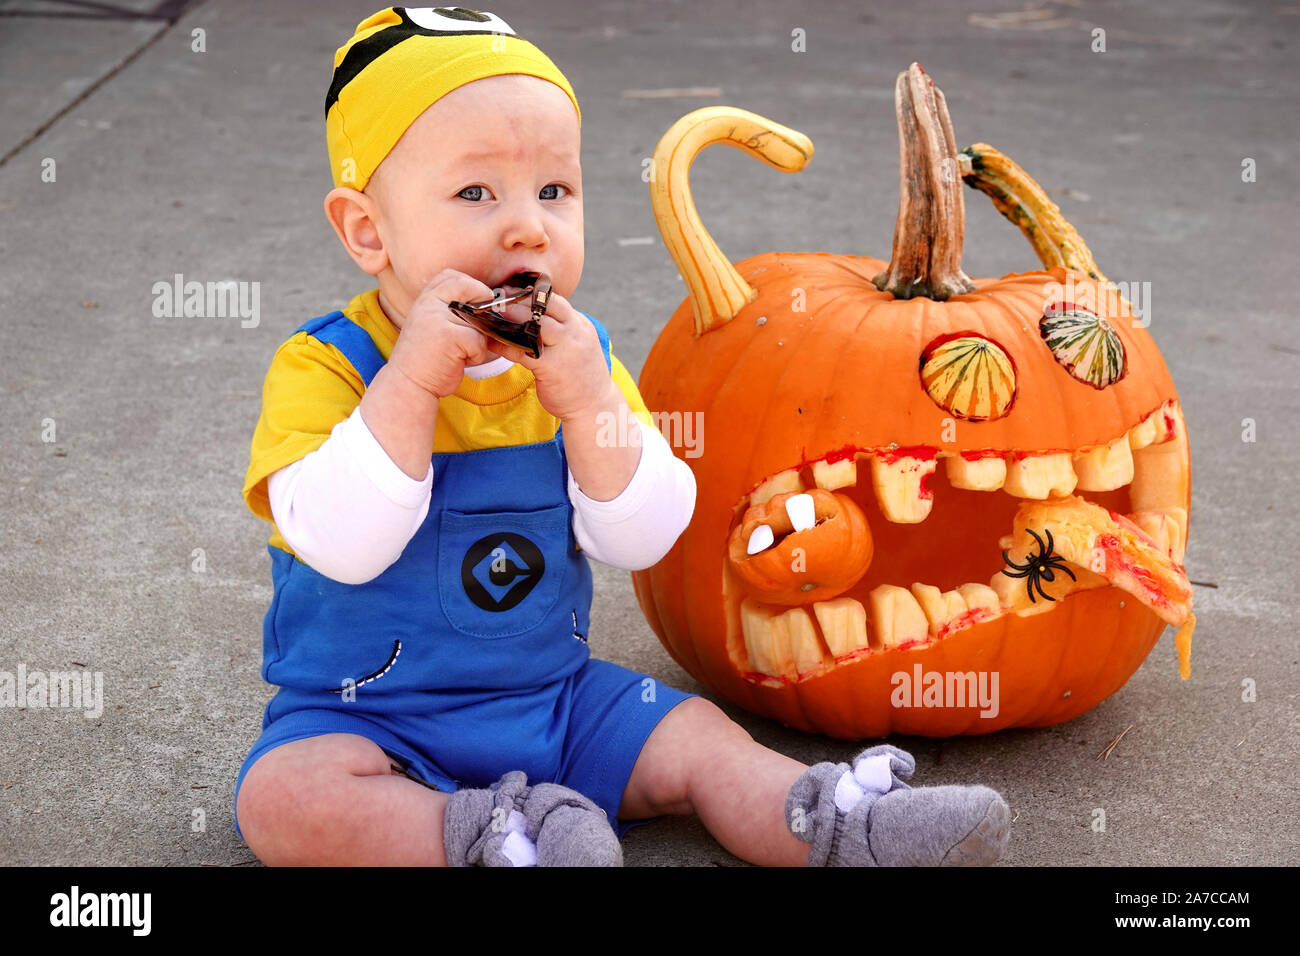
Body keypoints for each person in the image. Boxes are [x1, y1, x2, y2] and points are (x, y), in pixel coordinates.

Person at [233, 5, 1012, 867]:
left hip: (555, 705)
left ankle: (832, 822)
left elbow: (643, 536)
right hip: (367, 721)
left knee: (697, 737)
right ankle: (489, 840)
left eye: (554, 191)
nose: (529, 225)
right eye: (476, 192)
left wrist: (589, 407)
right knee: (284, 801)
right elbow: (344, 547)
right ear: (367, 229)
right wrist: (412, 383)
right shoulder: (327, 368)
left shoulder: (582, 361)